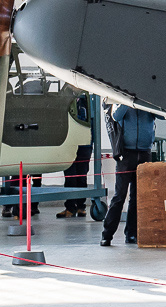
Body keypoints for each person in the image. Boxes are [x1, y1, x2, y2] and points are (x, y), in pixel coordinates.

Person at [101, 102, 157, 246]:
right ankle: (107, 235)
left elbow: (162, 115)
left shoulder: (147, 100)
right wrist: (129, 100)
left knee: (137, 198)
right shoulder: (121, 99)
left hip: (145, 152)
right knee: (120, 195)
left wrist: (148, 101)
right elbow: (116, 115)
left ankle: (131, 234)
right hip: (126, 154)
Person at [56, 144, 92, 217]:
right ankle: (76, 207)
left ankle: (75, 207)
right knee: (74, 177)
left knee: (77, 176)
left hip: (79, 144)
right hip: (77, 145)